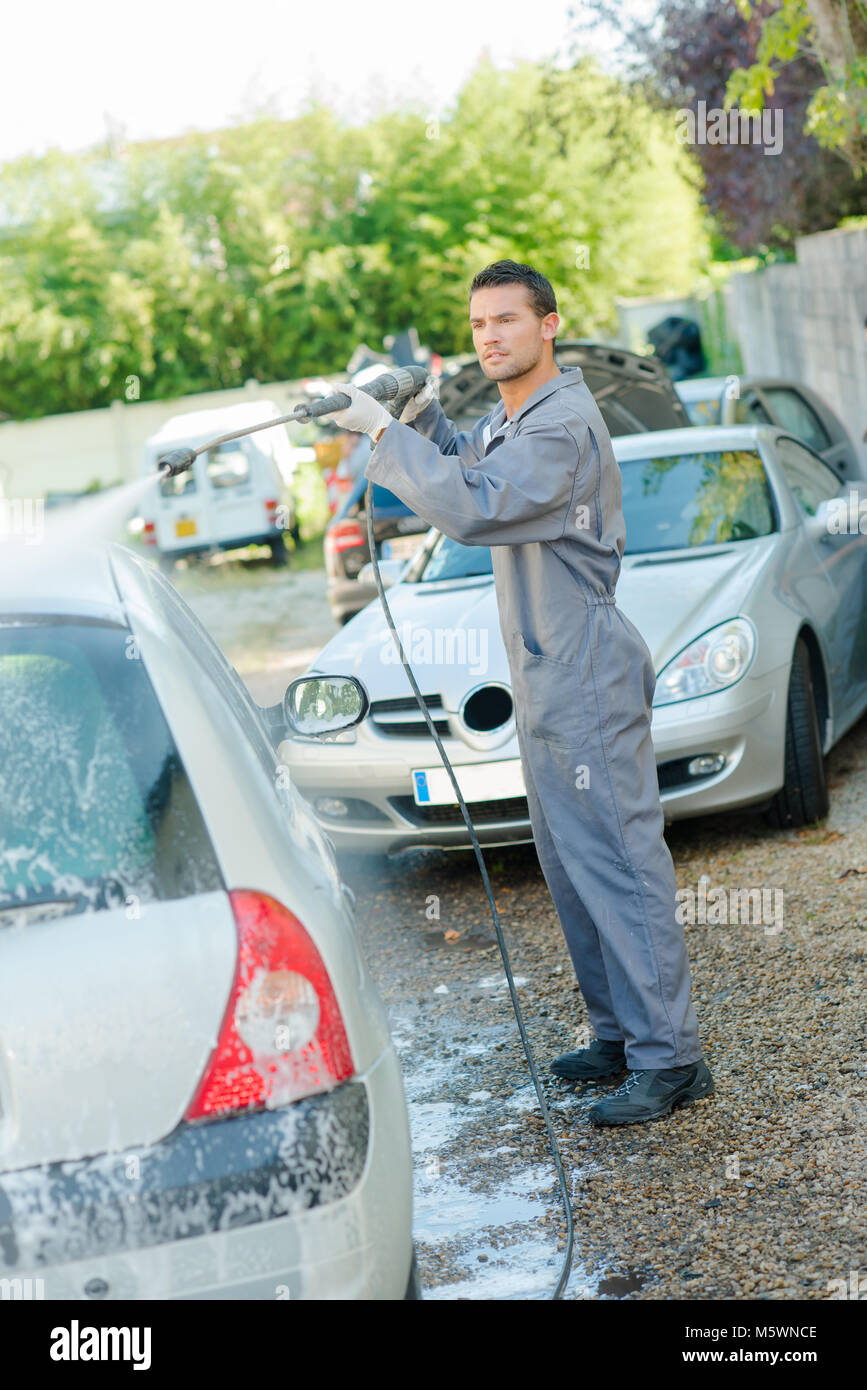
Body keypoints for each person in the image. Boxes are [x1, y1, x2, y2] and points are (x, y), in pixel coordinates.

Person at [328, 260, 713, 1127]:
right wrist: (423, 415)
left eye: (507, 319)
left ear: (548, 325)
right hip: (549, 672)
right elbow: (473, 467)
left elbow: (476, 508)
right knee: (571, 864)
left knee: (616, 862)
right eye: (476, 325)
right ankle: (620, 1034)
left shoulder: (560, 425)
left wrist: (380, 437)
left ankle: (672, 1059)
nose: (490, 336)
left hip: (583, 673)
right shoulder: (520, 416)